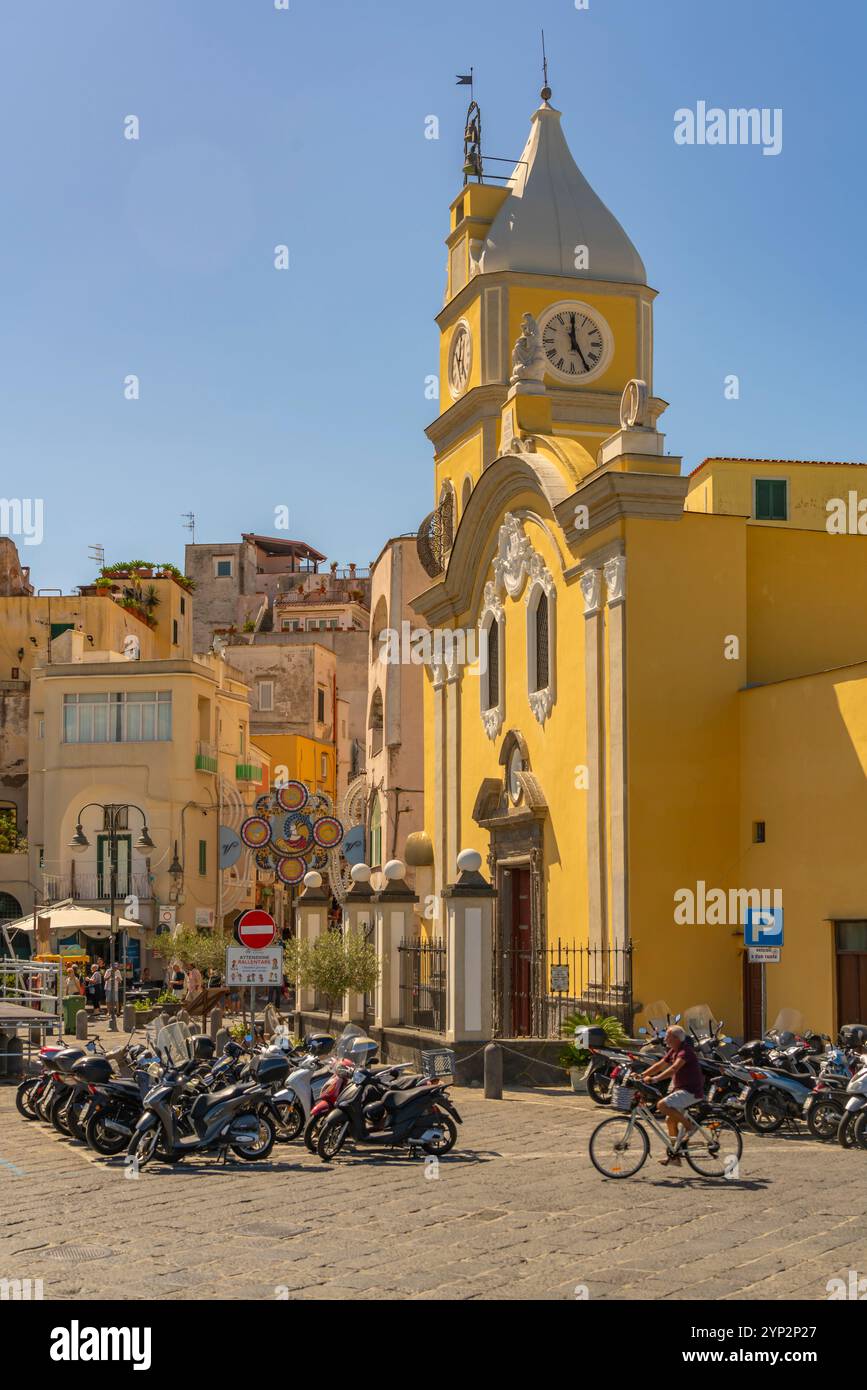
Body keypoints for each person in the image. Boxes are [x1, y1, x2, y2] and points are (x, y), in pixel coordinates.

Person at [640, 1024, 706, 1166]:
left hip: (691, 1092)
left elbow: (674, 1068)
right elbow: (660, 1065)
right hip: (681, 1090)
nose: (665, 1039)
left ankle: (690, 1126)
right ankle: (675, 1157)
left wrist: (655, 1079)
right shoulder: (673, 1050)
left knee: (662, 1105)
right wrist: (642, 1075)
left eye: (668, 1036)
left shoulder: (685, 1051)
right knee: (670, 1120)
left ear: (676, 1038)